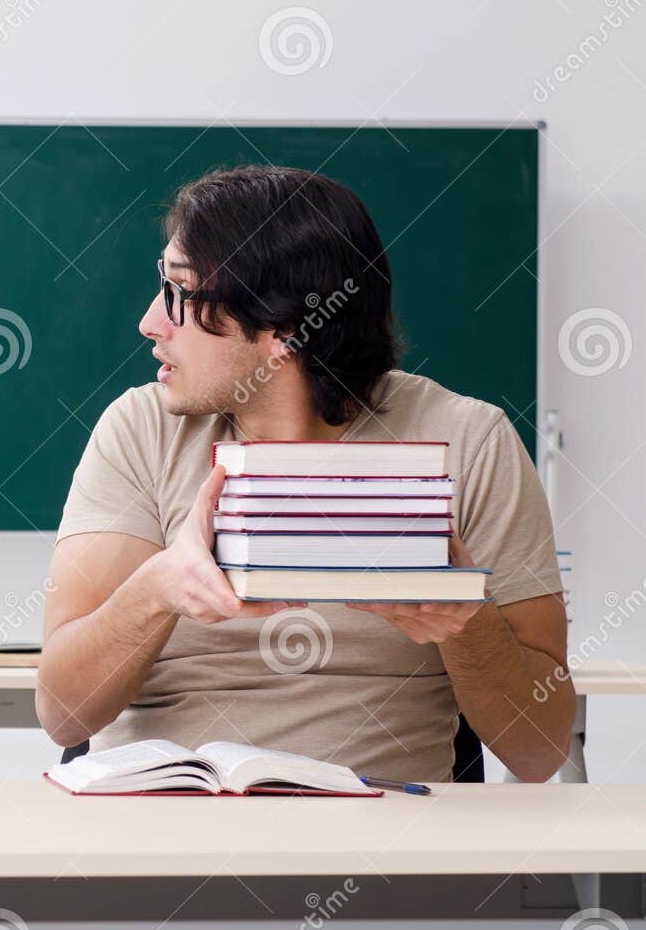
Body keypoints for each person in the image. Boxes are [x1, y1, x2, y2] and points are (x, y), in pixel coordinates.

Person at [37, 165, 572, 785]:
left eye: (180, 292)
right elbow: (63, 715)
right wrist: (156, 591)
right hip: (163, 815)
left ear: (284, 329)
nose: (152, 321)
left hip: (384, 826)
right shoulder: (139, 429)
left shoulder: (469, 442)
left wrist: (465, 621)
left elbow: (541, 752)